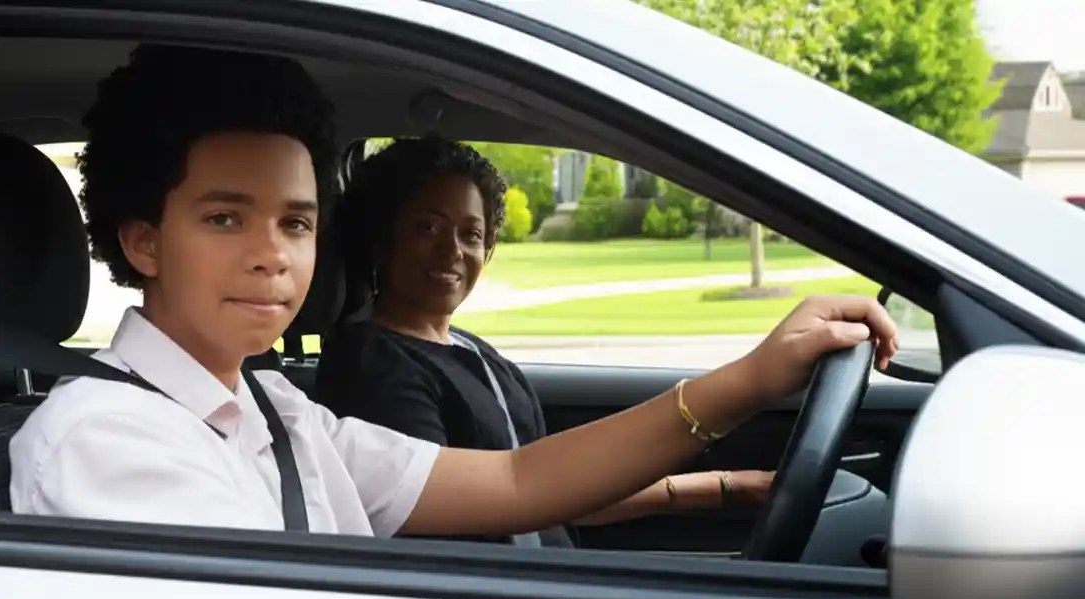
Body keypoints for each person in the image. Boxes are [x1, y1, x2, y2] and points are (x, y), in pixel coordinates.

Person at [9, 44, 898, 541]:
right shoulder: (108, 438)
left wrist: (746, 380)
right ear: (142, 239)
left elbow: (513, 479)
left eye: (297, 222)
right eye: (224, 218)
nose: (272, 256)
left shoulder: (275, 406)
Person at [314, 137, 772, 543]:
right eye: (427, 228)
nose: (453, 250)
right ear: (380, 241)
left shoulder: (472, 351)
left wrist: (726, 486)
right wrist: (723, 477)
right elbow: (483, 513)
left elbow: (563, 489)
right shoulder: (373, 368)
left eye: (471, 234)